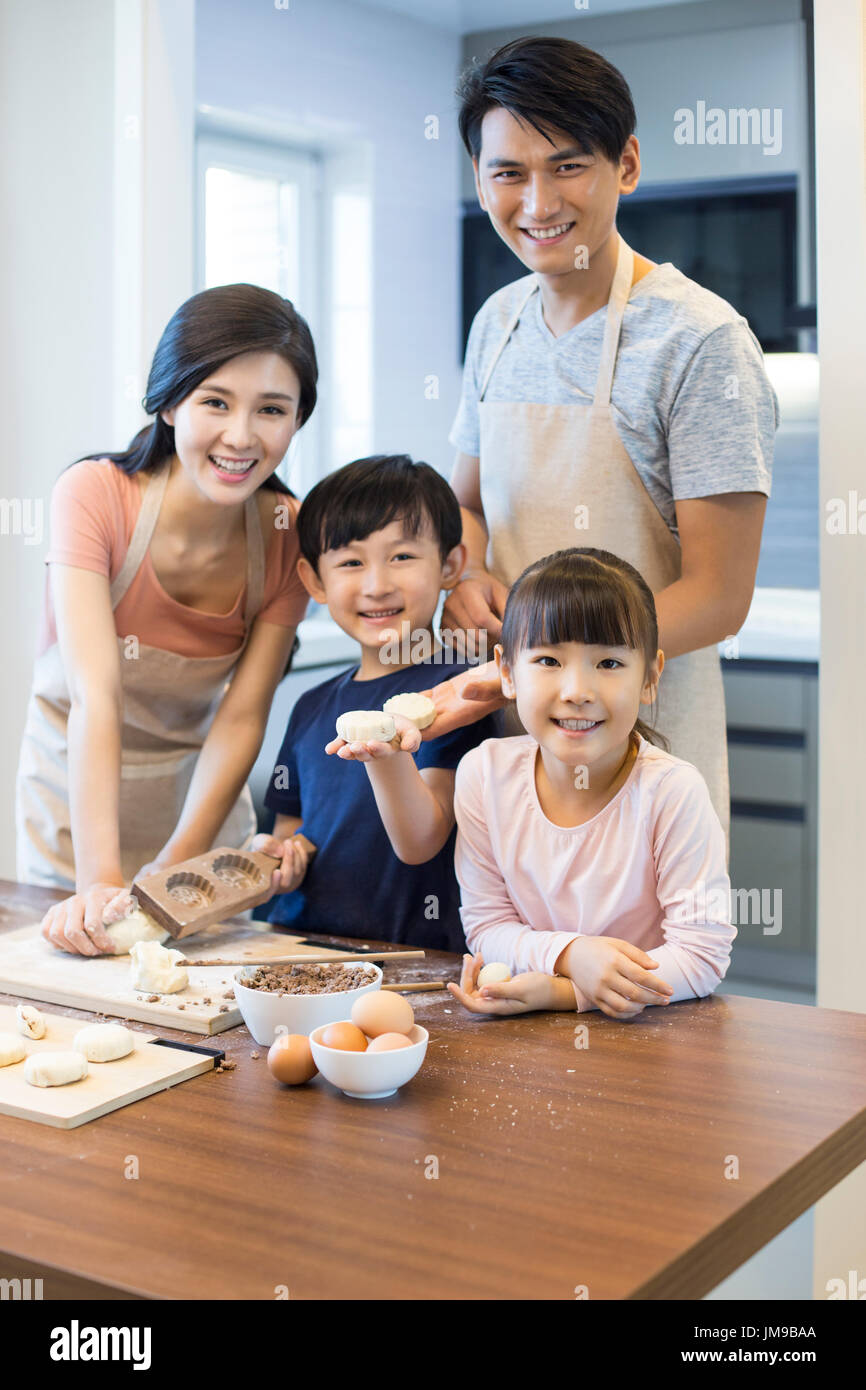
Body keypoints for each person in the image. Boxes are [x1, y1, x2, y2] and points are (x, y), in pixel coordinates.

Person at [422, 36, 779, 843]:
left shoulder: (700, 341)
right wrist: (470, 568)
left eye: (568, 165)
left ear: (627, 165)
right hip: (507, 748)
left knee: (640, 967)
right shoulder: (497, 323)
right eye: (508, 172)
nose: (537, 203)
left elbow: (719, 596)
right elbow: (467, 505)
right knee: (511, 958)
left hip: (643, 756)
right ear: (479, 178)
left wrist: (543, 666)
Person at [18, 284, 316, 955]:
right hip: (74, 798)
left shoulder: (288, 535)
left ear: (297, 421)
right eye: (216, 401)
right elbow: (98, 692)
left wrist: (175, 870)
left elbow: (242, 717)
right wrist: (101, 881)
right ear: (170, 400)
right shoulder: (95, 496)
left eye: (272, 409)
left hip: (198, 802)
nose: (241, 437)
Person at [446, 548, 735, 1022]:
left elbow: (702, 956)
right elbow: (486, 927)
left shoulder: (672, 791)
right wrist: (572, 955)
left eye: (609, 663)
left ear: (650, 677)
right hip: (530, 1048)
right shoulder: (484, 773)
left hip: (647, 1041)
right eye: (548, 660)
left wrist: (564, 990)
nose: (577, 690)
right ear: (506, 671)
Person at [253, 455, 499, 952]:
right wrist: (278, 856)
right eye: (350, 562)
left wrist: (387, 754)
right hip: (302, 948)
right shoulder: (310, 705)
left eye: (402, 557)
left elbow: (421, 840)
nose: (377, 584)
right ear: (315, 580)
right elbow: (292, 829)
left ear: (451, 564)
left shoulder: (459, 694)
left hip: (416, 958)